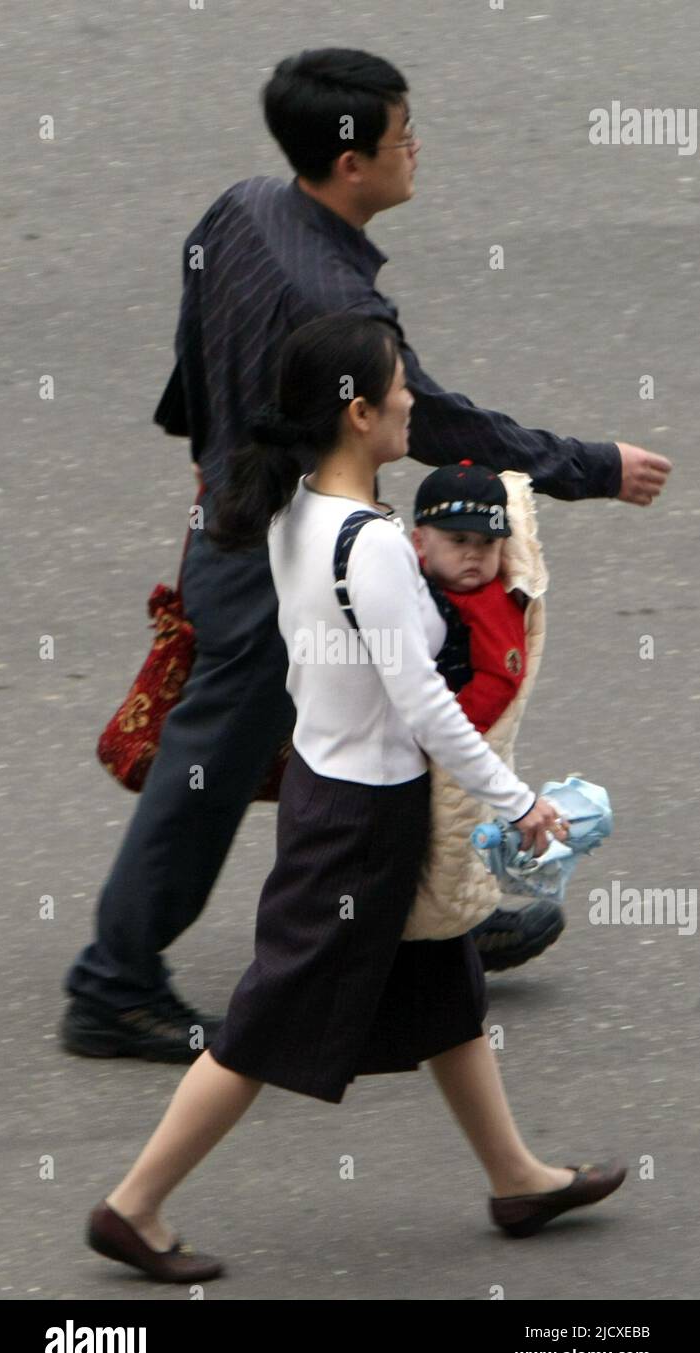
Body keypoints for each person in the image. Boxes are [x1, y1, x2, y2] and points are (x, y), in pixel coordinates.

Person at [62, 47, 672, 1063]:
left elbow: (194, 344)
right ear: (352, 163)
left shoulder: (241, 207)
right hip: (278, 560)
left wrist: (214, 454)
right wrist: (590, 466)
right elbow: (432, 420)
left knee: (364, 751)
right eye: (402, 135)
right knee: (219, 771)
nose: (415, 148)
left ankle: (426, 924)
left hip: (241, 516)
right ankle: (114, 981)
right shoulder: (342, 314)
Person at [85, 314, 626, 1284]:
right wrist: (518, 802)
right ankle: (132, 1205)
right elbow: (422, 702)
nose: (415, 397)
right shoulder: (372, 545)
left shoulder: (297, 511)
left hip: (341, 793)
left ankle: (517, 1176)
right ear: (361, 413)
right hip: (359, 820)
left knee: (444, 987)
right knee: (263, 1022)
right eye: (400, 387)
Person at [401, 461, 556, 954]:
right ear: (420, 542)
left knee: (453, 843)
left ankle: (463, 928)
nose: (473, 557)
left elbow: (500, 679)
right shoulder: (397, 574)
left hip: (452, 743)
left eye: (486, 545)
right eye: (458, 542)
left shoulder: (488, 605)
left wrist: (443, 733)